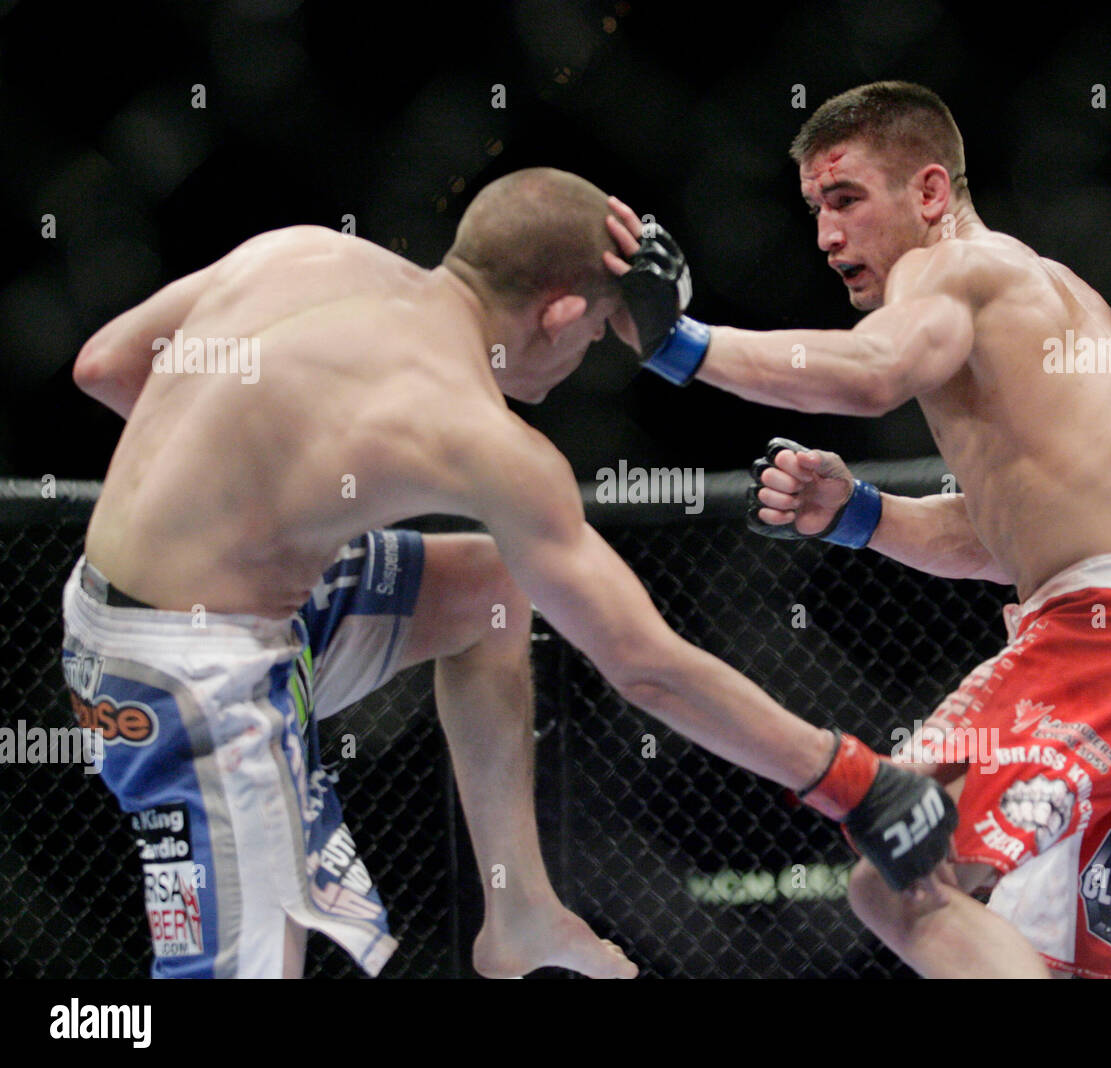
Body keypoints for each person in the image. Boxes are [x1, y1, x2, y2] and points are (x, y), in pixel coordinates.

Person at [62, 166, 953, 979]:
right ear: (561, 313)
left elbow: (105, 366)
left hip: (140, 612)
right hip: (189, 676)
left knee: (487, 586)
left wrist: (258, 517)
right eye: (601, 329)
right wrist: (855, 781)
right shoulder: (481, 436)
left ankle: (519, 911)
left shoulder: (300, 250)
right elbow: (644, 665)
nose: (586, 361)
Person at [604, 82, 1111, 979]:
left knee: (898, 875)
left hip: (1109, 643)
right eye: (816, 209)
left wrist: (682, 345)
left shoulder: (952, 269)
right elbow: (1008, 540)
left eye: (847, 199)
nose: (826, 237)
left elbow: (870, 373)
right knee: (1048, 962)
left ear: (931, 192)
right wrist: (858, 513)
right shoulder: (1048, 294)